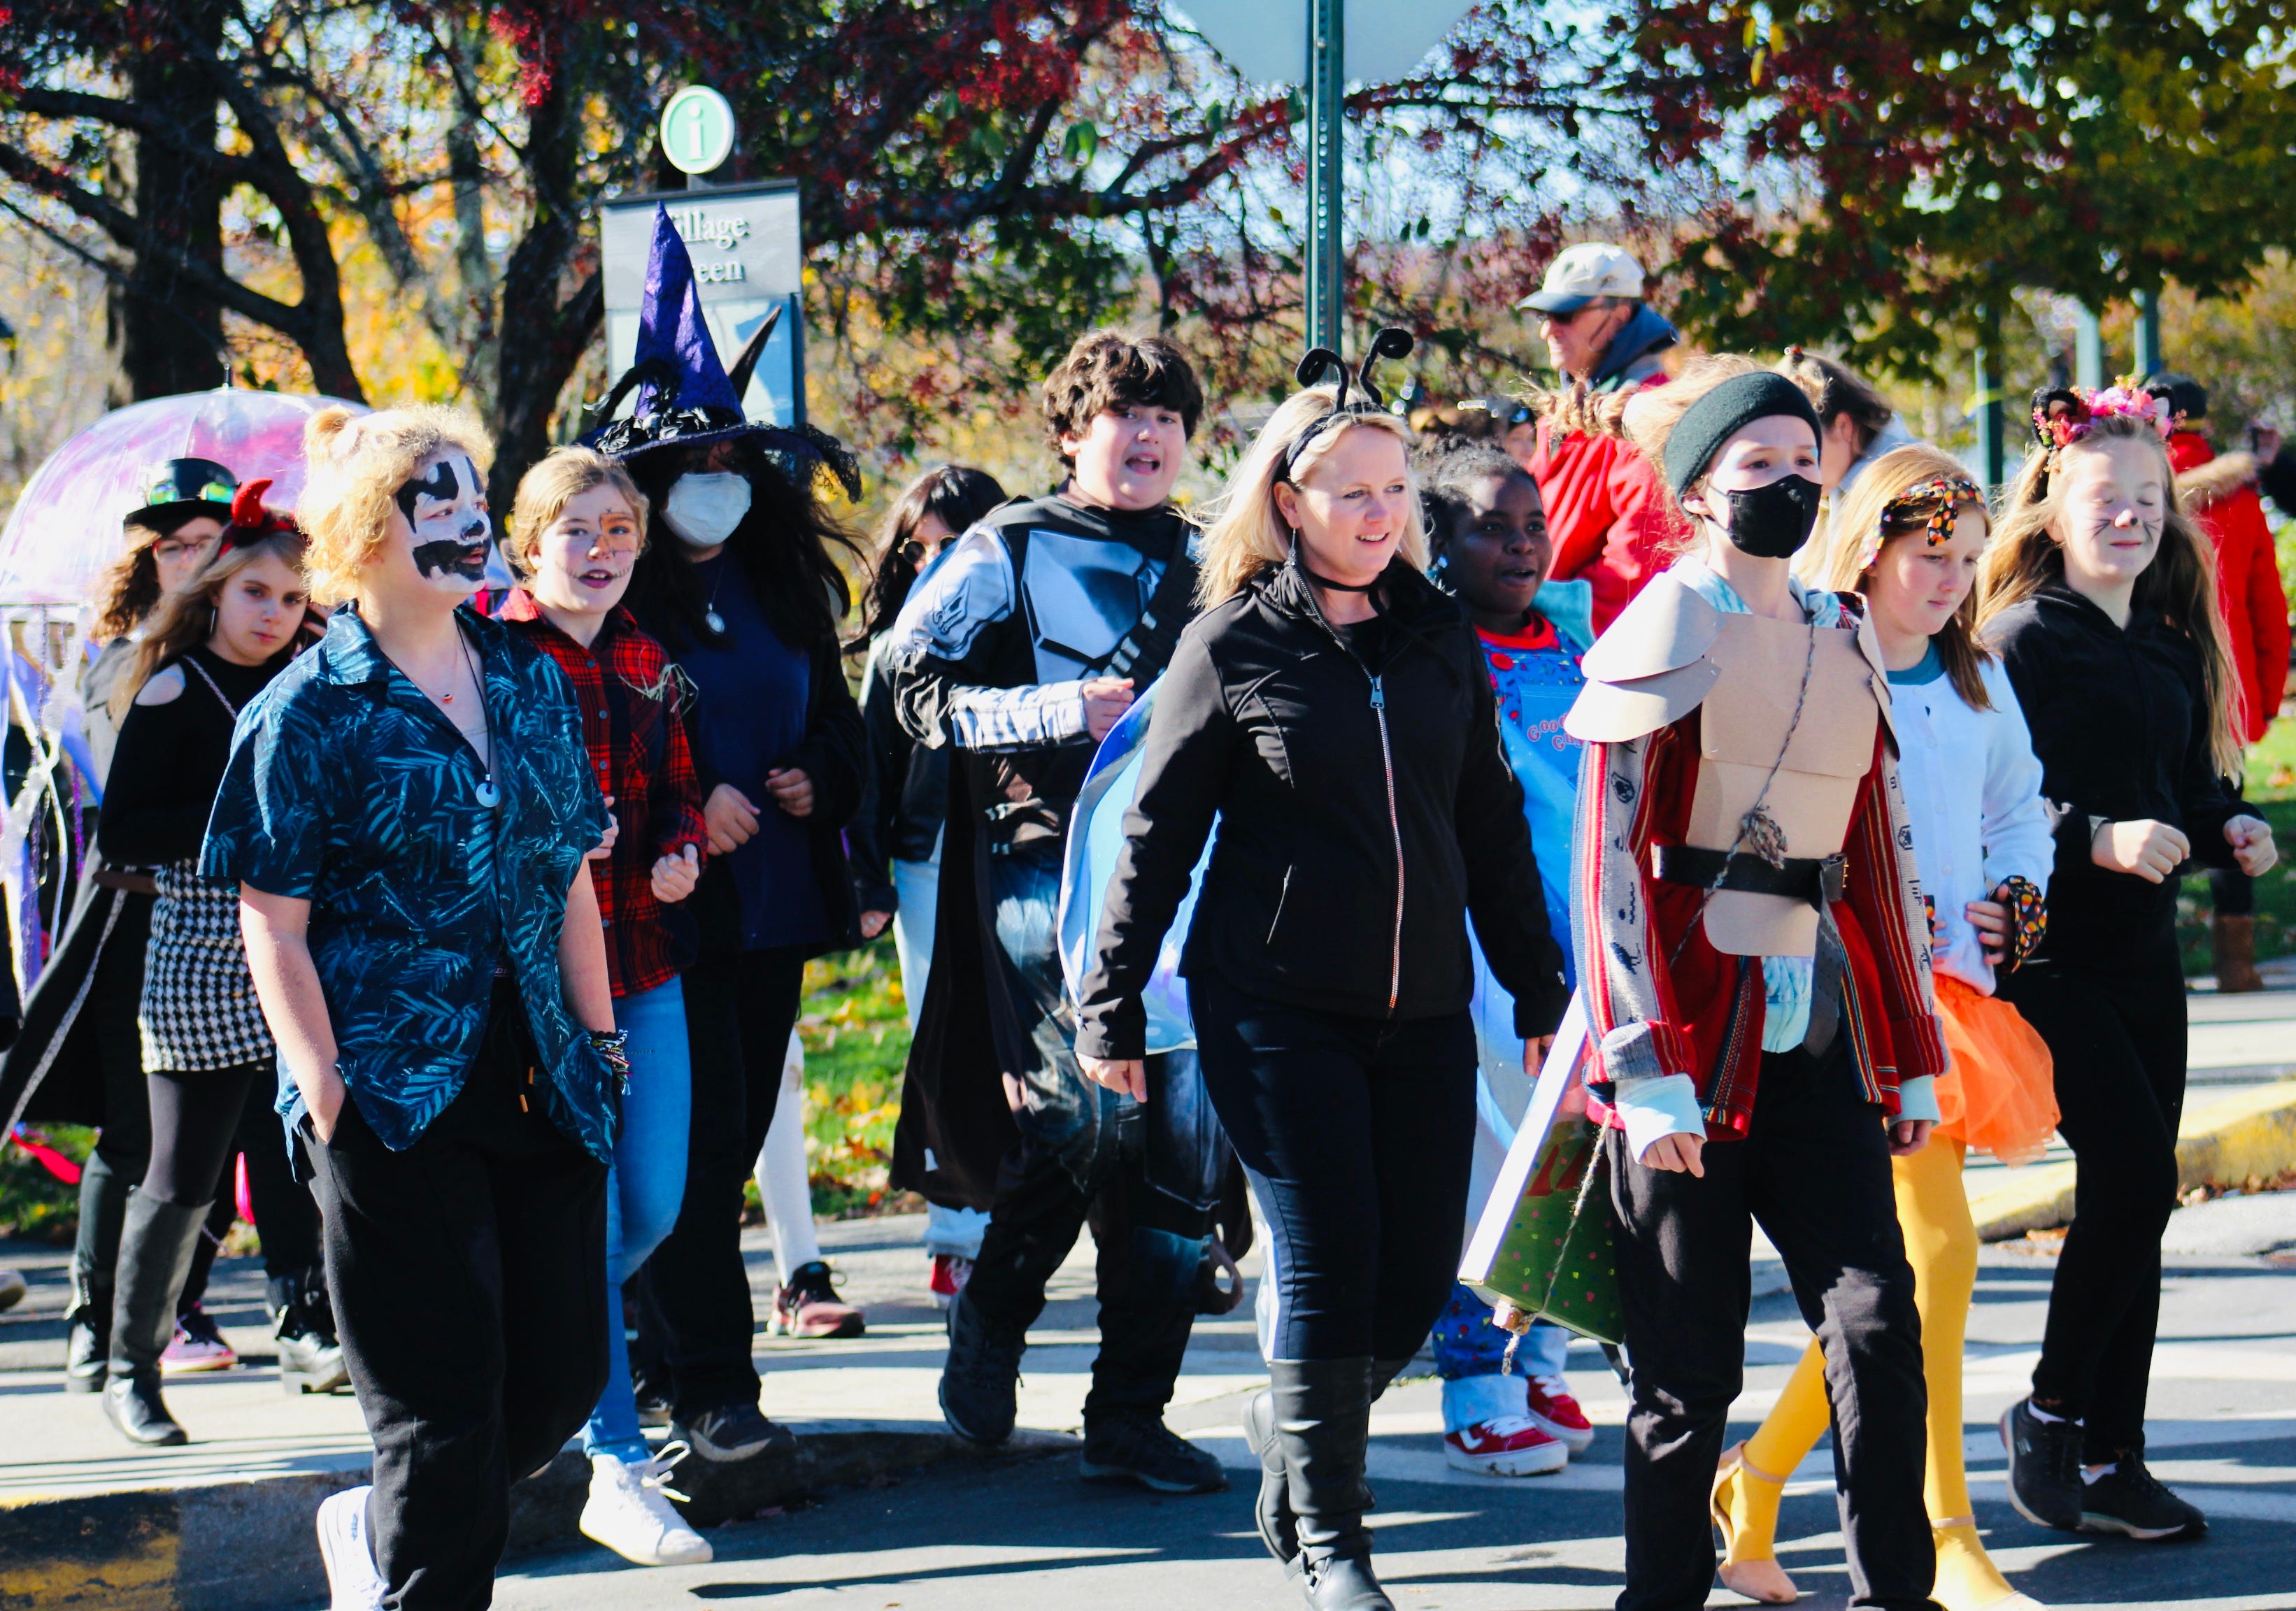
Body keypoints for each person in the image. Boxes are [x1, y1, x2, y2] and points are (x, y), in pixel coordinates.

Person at [1074, 341, 1569, 1611]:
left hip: (1424, 1009)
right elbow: (1154, 836)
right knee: (1329, 1258)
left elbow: (1488, 820)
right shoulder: (1231, 645)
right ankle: (1335, 1539)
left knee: (1416, 1274)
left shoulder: (1437, 636)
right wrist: (1108, 1008)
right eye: (1351, 492)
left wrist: (1537, 982)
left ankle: (1290, 1433)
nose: (1379, 513)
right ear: (1289, 503)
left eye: (1393, 489)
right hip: (1274, 1007)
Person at [207, 404, 620, 1610]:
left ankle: (375, 1527)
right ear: (360, 534)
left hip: (542, 1073)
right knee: (441, 1410)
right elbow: (272, 921)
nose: (465, 520)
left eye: (472, 495)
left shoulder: (529, 676)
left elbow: (565, 876)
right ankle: (414, 1566)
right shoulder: (307, 712)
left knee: (557, 1380)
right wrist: (324, 1087)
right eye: (430, 499)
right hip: (388, 1089)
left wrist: (602, 1043)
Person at [1564, 361, 1948, 1611]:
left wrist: (1910, 1055)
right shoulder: (1663, 627)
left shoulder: (1842, 632)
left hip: (1821, 1039)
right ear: (1697, 491)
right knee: (1685, 1375)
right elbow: (1606, 864)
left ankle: (1896, 1592)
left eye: (1801, 462)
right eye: (1756, 466)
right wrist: (1640, 1068)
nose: (1788, 483)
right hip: (1688, 1050)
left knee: (1876, 1322)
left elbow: (1876, 857)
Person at [883, 328, 1232, 1497]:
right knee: (1083, 1115)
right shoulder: (1008, 545)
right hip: (1045, 863)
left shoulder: (1216, 551)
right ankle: (993, 1312)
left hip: (1189, 875)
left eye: (1166, 416)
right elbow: (906, 683)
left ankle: (1129, 1412)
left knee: (1181, 1147)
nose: (1146, 434)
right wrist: (1051, 709)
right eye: (1124, 412)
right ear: (1073, 429)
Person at [1713, 444, 2059, 1611]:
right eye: (1928, 554)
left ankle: (1756, 1481)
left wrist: (2016, 895)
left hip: (1949, 1006)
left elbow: (2017, 809)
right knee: (1931, 1261)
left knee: (1903, 1280)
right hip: (1840, 1010)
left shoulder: (1975, 678)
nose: (1951, 579)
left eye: (1965, 558)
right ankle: (1941, 1531)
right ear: (1865, 548)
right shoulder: (1814, 660)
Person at [601, 204, 870, 1466]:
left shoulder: (780, 584)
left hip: (774, 907)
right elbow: (592, 737)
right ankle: (711, 1388)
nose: (713, 475)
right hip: (662, 912)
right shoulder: (616, 595)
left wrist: (821, 776)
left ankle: (676, 1364)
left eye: (729, 453)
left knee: (737, 1128)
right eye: (688, 457)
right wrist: (686, 804)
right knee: (691, 1153)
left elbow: (839, 721)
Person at [1983, 386, 2276, 1543]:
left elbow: (2186, 794)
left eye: (2148, 499)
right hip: (2042, 955)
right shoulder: (2018, 639)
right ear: (2052, 509)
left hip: (2145, 960)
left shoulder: (2165, 643)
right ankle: (2048, 1411)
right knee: (2134, 1172)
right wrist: (2090, 836)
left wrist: (2230, 829)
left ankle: (2112, 1457)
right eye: (2105, 497)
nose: (2130, 517)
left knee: (2135, 1199)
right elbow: (1986, 804)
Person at [496, 445, 713, 1569]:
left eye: (618, 531)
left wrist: (681, 851)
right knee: (588, 1220)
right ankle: (615, 1460)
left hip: (646, 964)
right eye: (575, 530)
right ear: (528, 545)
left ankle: (535, 1335)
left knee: (652, 1212)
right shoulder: (488, 655)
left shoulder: (646, 657)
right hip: (537, 985)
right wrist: (549, 842)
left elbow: (680, 795)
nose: (599, 550)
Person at [94, 485, 337, 1445]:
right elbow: (123, 832)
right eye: (255, 594)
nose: (272, 614)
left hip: (302, 947)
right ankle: (130, 1367)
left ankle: (321, 1334)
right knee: (183, 1174)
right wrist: (235, 827)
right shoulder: (172, 689)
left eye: (291, 599)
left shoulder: (309, 682)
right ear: (216, 590)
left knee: (314, 1159)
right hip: (201, 951)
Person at [1, 459, 238, 1394]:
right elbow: (126, 798)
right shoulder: (127, 661)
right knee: (136, 1129)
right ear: (150, 557)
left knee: (239, 1129)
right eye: (175, 545)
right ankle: (94, 1320)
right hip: (134, 917)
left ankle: (194, 1305)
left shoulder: (273, 651)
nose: (193, 560)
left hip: (246, 922)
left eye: (211, 543)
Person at [1416, 438, 1595, 1477]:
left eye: (1533, 525)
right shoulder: (1429, 653)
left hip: (1582, 951)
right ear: (1439, 541)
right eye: (1491, 528)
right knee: (1485, 1169)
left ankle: (1540, 1360)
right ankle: (1474, 1386)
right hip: (1484, 952)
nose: (1521, 546)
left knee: (1566, 1163)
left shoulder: (1578, 644)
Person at [848, 464, 1009, 1308]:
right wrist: (867, 879)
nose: (936, 566)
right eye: (919, 551)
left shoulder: (1033, 636)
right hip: (928, 865)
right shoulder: (894, 651)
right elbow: (869, 769)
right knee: (942, 1039)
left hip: (1029, 857)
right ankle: (957, 1236)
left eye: (957, 546)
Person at [2144, 373, 2288, 993]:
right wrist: (2261, 701)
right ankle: (2237, 961)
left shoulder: (2132, 490)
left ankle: (2159, 959)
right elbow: (2267, 607)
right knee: (2233, 820)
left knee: (2145, 808)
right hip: (2224, 692)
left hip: (2146, 684)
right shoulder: (2241, 498)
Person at [1515, 243, 1683, 632]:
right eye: (1544, 316)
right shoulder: (1572, 408)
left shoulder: (1651, 415)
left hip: (1591, 649)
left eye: (1565, 314)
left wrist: (1535, 623)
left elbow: (1635, 570)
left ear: (1620, 318)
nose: (1547, 330)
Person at [1775, 346, 1916, 513]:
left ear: (1843, 426)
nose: (1790, 474)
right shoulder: (1845, 484)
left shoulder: (1908, 489)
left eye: (1803, 457)